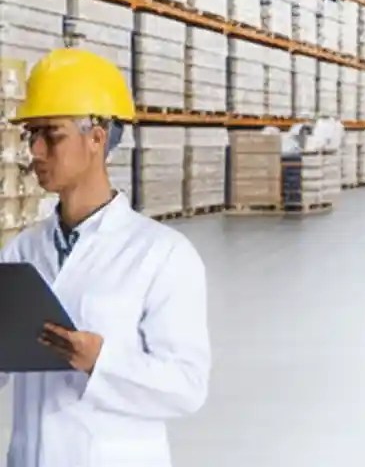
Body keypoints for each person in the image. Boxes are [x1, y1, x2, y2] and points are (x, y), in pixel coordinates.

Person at [0, 49, 210, 466]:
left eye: (51, 134)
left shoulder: (162, 254)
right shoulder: (22, 251)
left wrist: (102, 362)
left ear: (96, 138)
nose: (36, 151)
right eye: (31, 135)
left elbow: (187, 386)